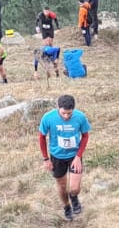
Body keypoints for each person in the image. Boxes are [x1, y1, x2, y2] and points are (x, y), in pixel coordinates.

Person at [38, 92, 90, 221]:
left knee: (75, 188)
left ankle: (74, 197)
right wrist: (46, 159)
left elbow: (85, 136)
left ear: (73, 109)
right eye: (63, 113)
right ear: (58, 108)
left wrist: (78, 156)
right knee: (61, 186)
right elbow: (41, 137)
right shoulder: (48, 118)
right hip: (57, 156)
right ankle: (67, 206)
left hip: (74, 156)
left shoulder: (80, 117)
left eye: (69, 113)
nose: (66, 116)